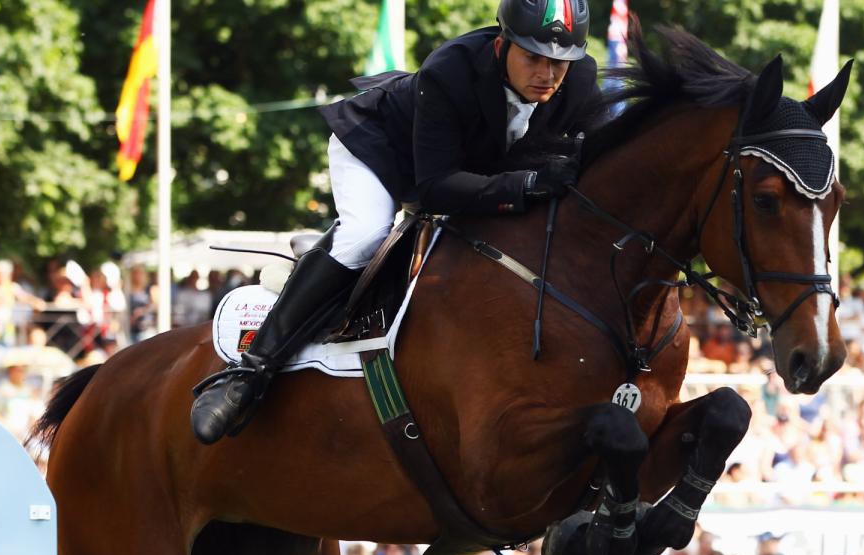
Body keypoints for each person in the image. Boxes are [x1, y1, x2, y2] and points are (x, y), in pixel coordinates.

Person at [190, 0, 599, 444]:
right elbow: (437, 187)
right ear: (502, 45)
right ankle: (250, 371)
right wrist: (527, 184)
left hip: (470, 172)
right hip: (380, 150)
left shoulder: (581, 80)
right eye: (533, 58)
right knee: (366, 235)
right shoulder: (451, 69)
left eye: (560, 62)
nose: (548, 74)